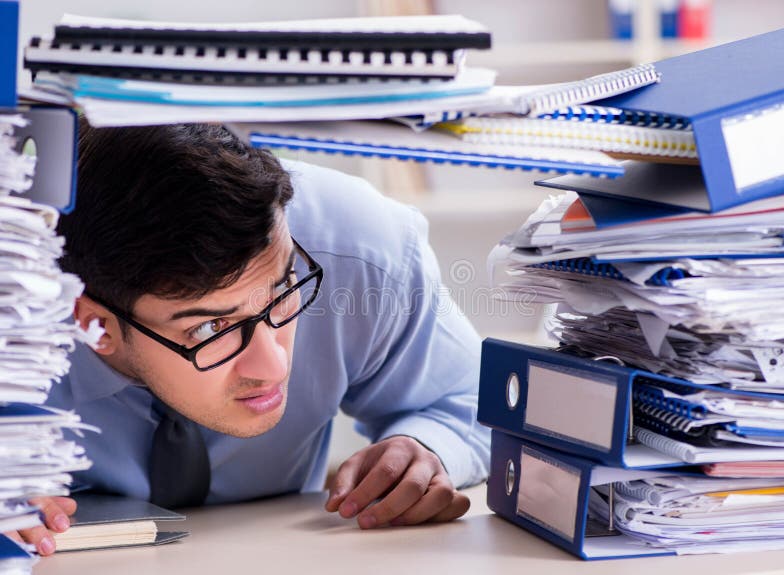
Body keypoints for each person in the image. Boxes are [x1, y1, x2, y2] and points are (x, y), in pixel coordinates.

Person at [14, 120, 490, 556]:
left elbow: (474, 400)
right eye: (209, 328)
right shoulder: (14, 299)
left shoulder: (359, 247)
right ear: (92, 325)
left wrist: (426, 448)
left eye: (283, 289)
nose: (275, 367)